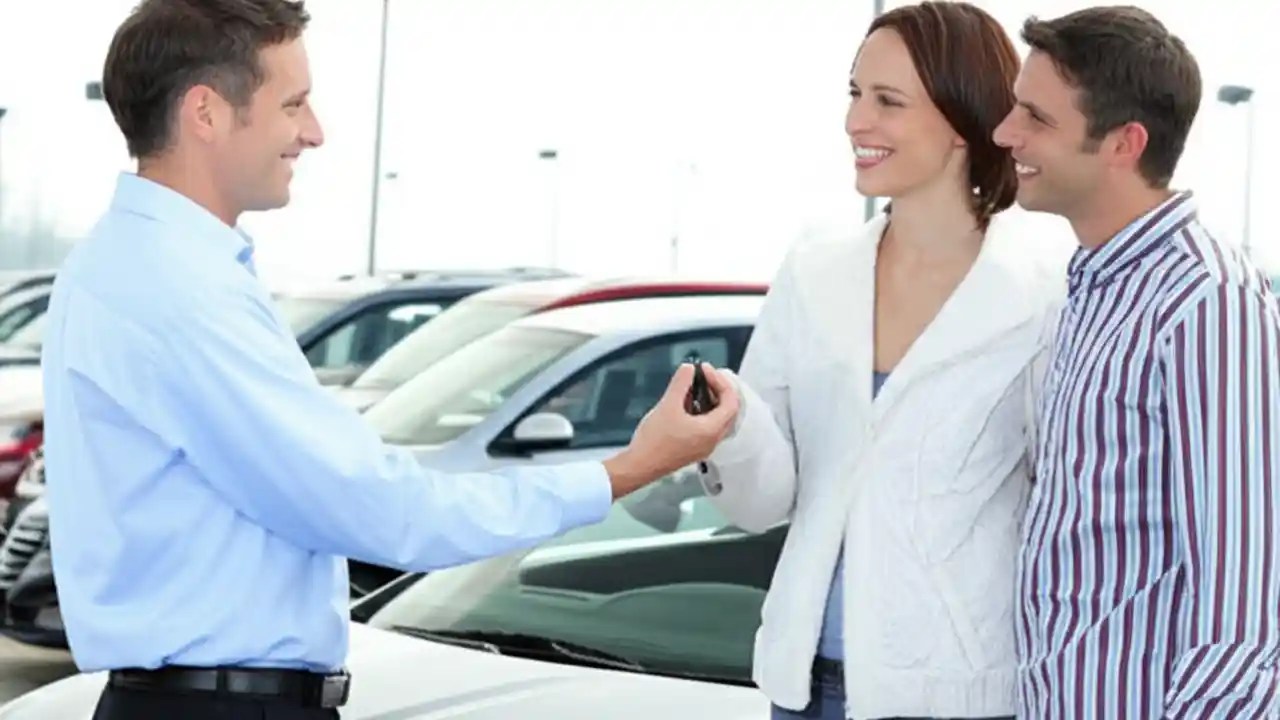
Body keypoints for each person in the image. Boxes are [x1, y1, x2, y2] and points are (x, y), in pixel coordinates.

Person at [38, 1, 739, 719]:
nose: (314, 132)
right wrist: (628, 469)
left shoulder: (123, 266)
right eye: (294, 104)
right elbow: (379, 509)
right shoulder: (177, 287)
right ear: (206, 113)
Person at [695, 3, 1072, 718]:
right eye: (854, 93)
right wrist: (733, 428)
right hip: (803, 686)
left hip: (960, 697)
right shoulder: (813, 272)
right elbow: (762, 504)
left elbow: (1064, 517)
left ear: (963, 120)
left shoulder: (1047, 292)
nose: (855, 122)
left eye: (887, 102)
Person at [992, 7, 1280, 719]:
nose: (1005, 133)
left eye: (1036, 117)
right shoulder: (1091, 290)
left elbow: (1245, 620)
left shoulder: (1207, 301)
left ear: (1124, 143)